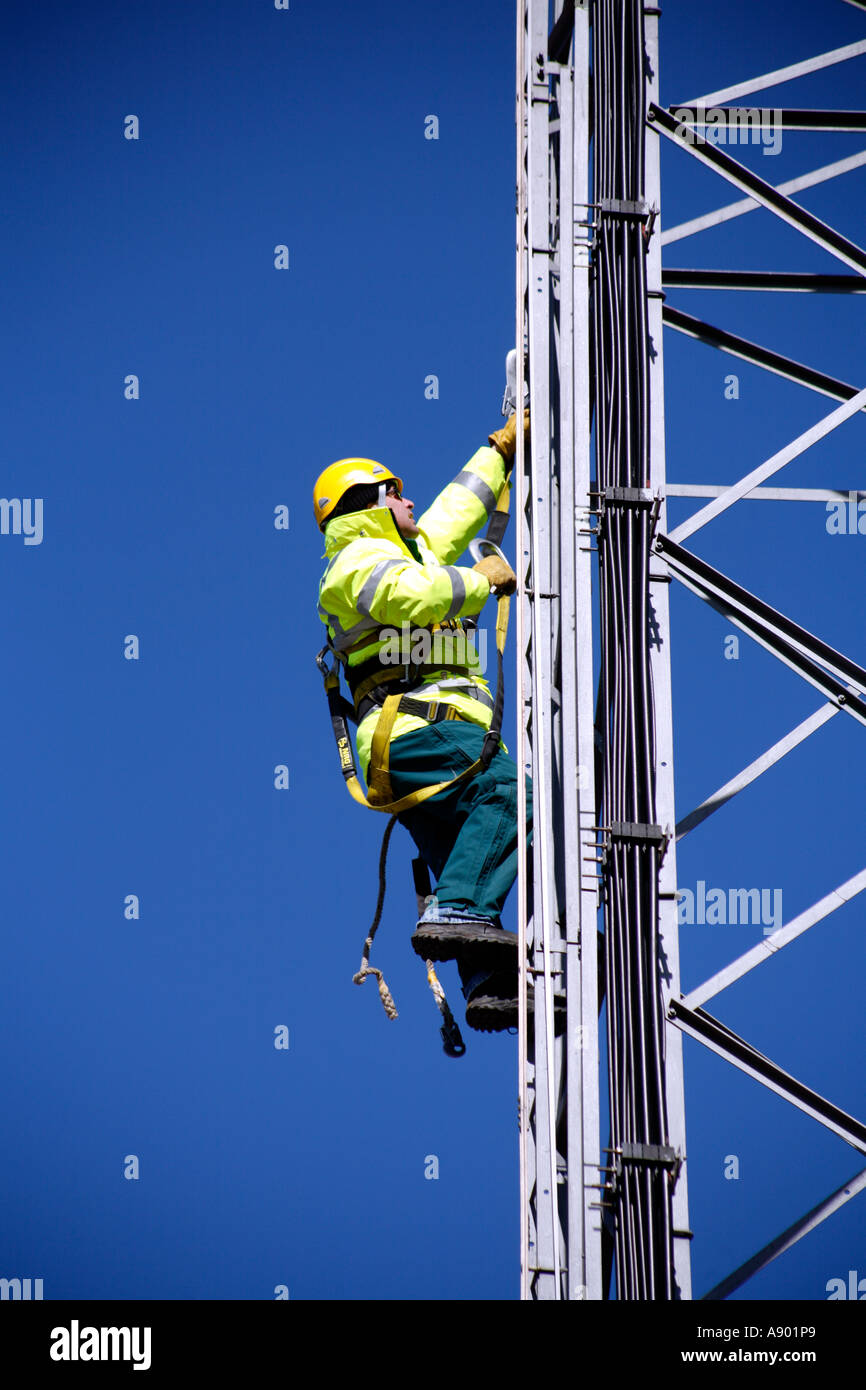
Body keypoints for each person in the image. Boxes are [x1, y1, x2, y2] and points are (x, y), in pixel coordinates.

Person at [314, 413, 532, 1031]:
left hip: (417, 740)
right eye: (396, 492)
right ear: (371, 505)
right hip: (415, 728)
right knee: (507, 794)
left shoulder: (399, 549)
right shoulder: (354, 561)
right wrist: (479, 580)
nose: (410, 499)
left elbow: (454, 511)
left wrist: (499, 450)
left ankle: (486, 978)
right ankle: (463, 914)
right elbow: (415, 596)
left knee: (467, 845)